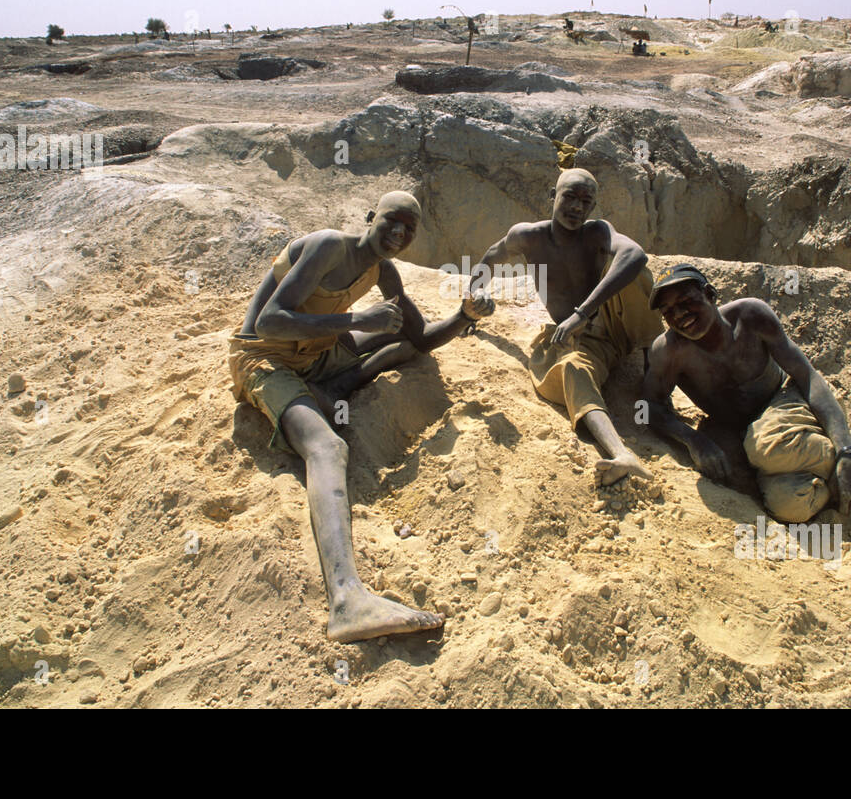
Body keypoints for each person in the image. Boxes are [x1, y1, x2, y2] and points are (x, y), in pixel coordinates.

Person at [227, 191, 491, 641]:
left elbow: (421, 338)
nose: (399, 233)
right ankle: (347, 598)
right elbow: (269, 323)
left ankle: (330, 388)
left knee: (402, 344)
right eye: (392, 221)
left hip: (318, 355)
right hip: (267, 359)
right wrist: (356, 319)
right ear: (371, 217)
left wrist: (463, 315)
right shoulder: (329, 245)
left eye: (410, 229)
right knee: (328, 447)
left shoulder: (383, 271)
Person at [641, 264, 851, 522]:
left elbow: (807, 376)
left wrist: (846, 450)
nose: (679, 315)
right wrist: (694, 440)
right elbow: (648, 408)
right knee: (787, 505)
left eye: (686, 301)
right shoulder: (667, 351)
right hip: (742, 431)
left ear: (710, 294)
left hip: (785, 402)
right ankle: (835, 477)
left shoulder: (750, 316)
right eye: (668, 311)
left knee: (764, 446)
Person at [469, 168, 665, 484]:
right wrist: (475, 293)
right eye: (569, 197)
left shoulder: (598, 233)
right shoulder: (527, 236)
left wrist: (583, 312)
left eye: (585, 201)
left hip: (615, 326)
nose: (576, 207)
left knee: (637, 274)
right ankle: (621, 453)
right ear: (552, 195)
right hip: (584, 343)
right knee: (572, 368)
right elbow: (492, 256)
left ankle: (653, 368)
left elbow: (634, 253)